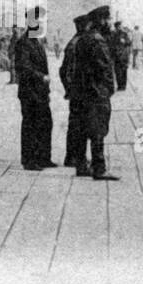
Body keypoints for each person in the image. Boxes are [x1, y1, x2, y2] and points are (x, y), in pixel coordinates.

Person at [74, 6, 119, 181]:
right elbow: (104, 68)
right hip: (96, 91)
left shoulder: (84, 38)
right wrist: (109, 88)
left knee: (84, 128)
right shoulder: (98, 40)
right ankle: (99, 168)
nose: (109, 23)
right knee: (98, 128)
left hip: (84, 91)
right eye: (107, 20)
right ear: (101, 20)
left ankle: (81, 165)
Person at [14, 6, 55, 171]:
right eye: (38, 21)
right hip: (29, 91)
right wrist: (41, 77)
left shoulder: (37, 42)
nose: (40, 24)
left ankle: (43, 157)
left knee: (45, 123)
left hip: (41, 92)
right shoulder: (24, 43)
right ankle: (30, 160)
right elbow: (24, 68)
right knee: (31, 125)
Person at [59, 14, 90, 170]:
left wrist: (67, 89)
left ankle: (71, 157)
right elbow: (66, 70)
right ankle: (76, 158)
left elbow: (62, 70)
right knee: (80, 125)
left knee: (74, 125)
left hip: (74, 90)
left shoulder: (72, 42)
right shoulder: (80, 43)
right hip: (79, 90)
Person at [109, 21, 131, 91]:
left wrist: (125, 41)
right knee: (118, 71)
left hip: (124, 55)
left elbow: (129, 42)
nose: (120, 27)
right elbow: (111, 44)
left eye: (120, 26)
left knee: (124, 71)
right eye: (119, 26)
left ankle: (123, 86)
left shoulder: (124, 34)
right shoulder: (113, 34)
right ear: (116, 27)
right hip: (116, 55)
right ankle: (120, 86)